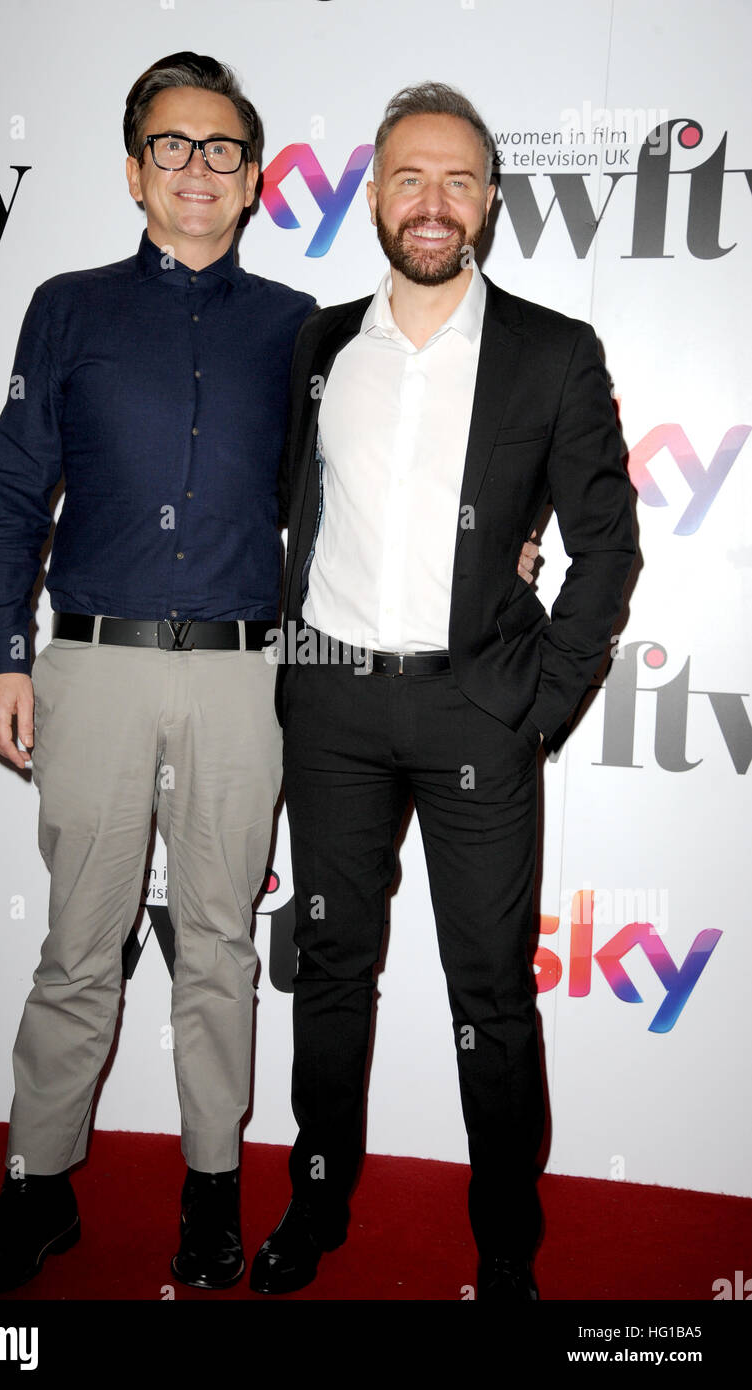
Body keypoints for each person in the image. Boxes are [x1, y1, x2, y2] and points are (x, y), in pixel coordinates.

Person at [250, 81, 636, 1301]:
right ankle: (316, 1205)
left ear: (488, 201)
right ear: (371, 195)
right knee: (328, 968)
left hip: (477, 709)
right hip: (328, 705)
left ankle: (505, 1245)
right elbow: (287, 509)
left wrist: (541, 697)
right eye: (409, 177)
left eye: (458, 180)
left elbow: (608, 547)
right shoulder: (316, 344)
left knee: (491, 993)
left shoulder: (551, 351)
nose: (432, 202)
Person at [0, 51, 316, 1300]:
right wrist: (1, 650)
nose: (198, 169)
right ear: (132, 169)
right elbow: (10, 492)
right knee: (78, 947)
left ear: (255, 172)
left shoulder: (299, 327)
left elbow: (355, 500)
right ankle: (35, 1193)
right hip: (91, 667)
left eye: (221, 148)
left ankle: (211, 1196)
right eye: (172, 145)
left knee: (218, 944)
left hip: (239, 676)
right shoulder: (65, 305)